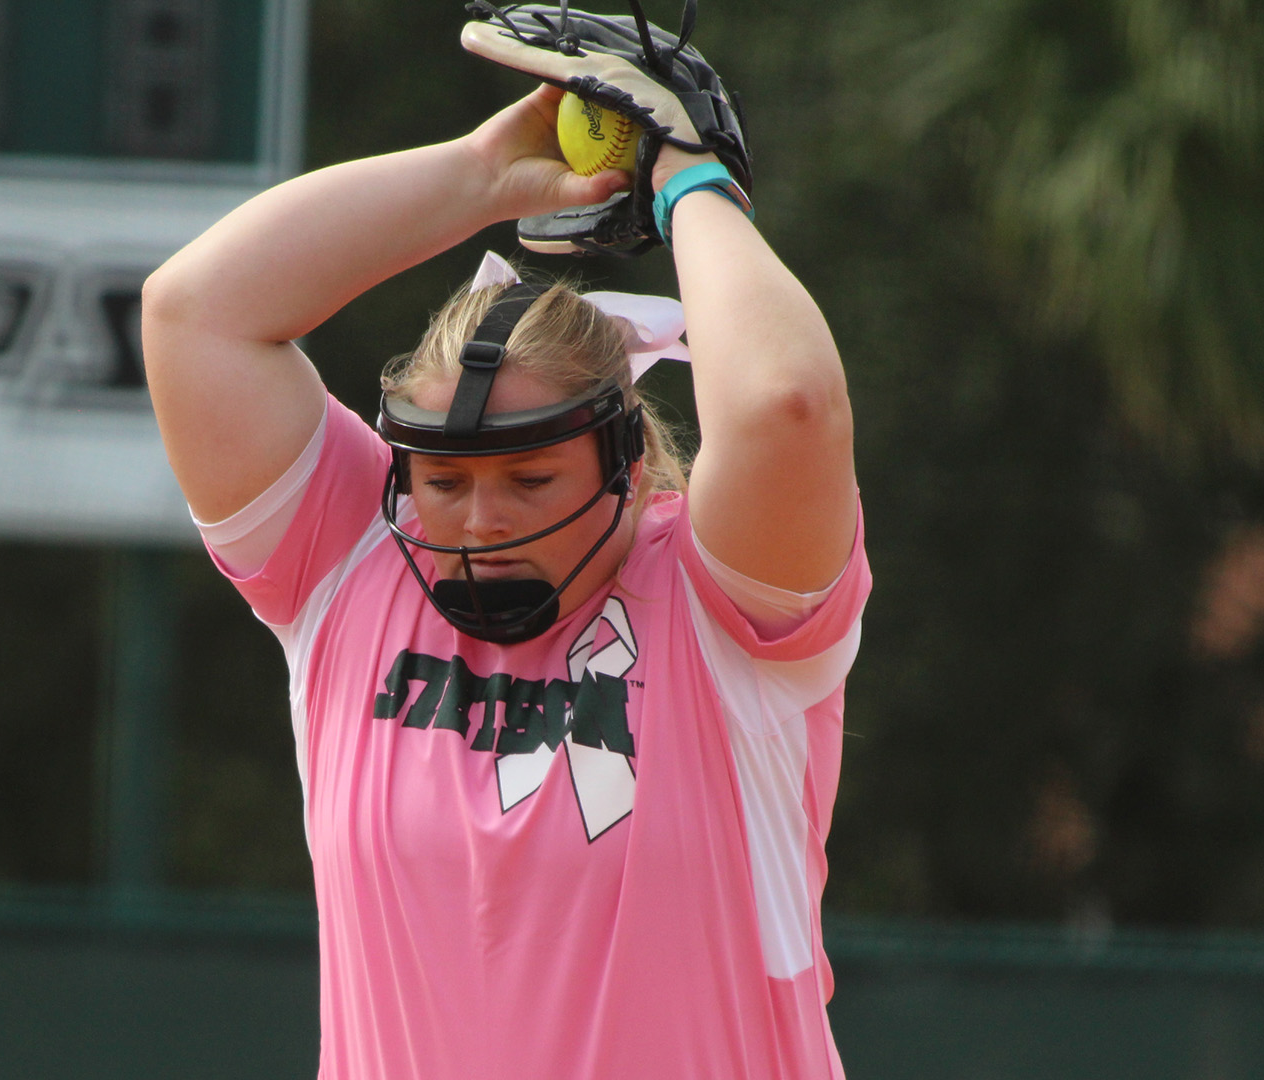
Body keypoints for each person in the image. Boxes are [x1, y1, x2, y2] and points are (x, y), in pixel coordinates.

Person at [139, 12, 867, 1078]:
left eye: (530, 480)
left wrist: (692, 180)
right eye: (444, 483)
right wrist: (484, 174)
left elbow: (784, 404)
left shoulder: (727, 614)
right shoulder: (348, 569)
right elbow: (191, 312)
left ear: (626, 464)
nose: (479, 521)